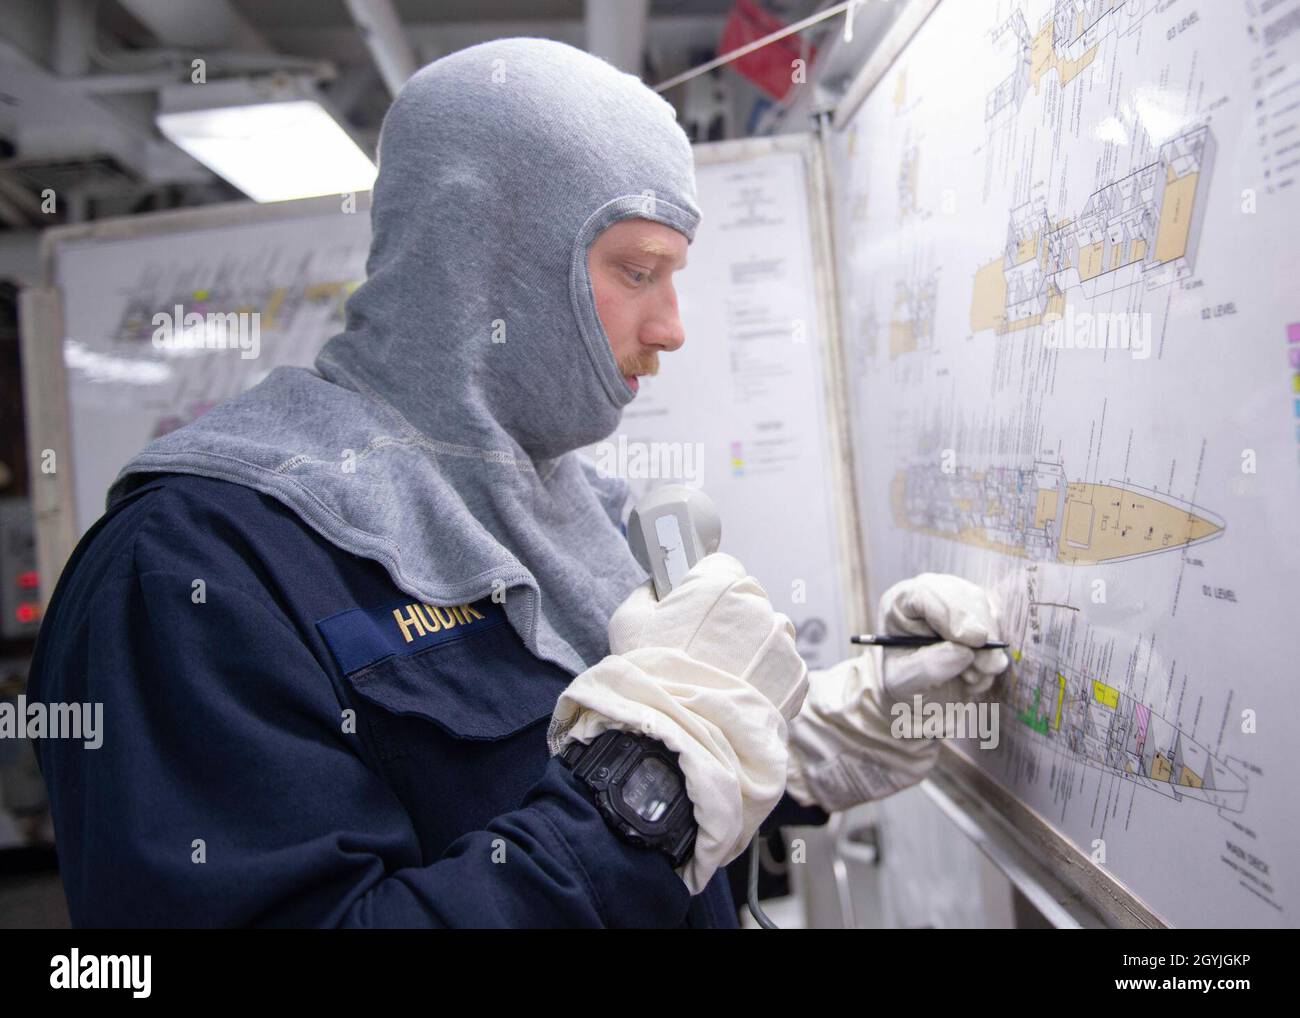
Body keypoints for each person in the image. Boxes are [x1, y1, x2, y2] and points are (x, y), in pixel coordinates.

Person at [27, 37, 1007, 928]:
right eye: (636, 270)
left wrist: (818, 732)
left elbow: (552, 790)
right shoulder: (190, 572)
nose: (670, 327)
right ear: (485, 261)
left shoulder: (578, 515)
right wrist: (653, 777)